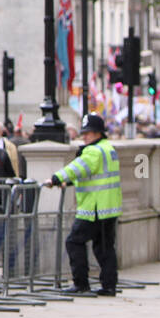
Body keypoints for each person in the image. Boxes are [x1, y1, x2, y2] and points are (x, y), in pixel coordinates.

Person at [49, 114, 121, 296]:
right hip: (108, 207)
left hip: (93, 208)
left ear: (98, 133)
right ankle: (109, 285)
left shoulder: (93, 151)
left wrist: (55, 178)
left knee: (74, 242)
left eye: (89, 132)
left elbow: (77, 168)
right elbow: (93, 174)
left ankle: (81, 284)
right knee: (105, 248)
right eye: (84, 133)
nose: (85, 136)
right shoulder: (108, 148)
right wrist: (71, 183)